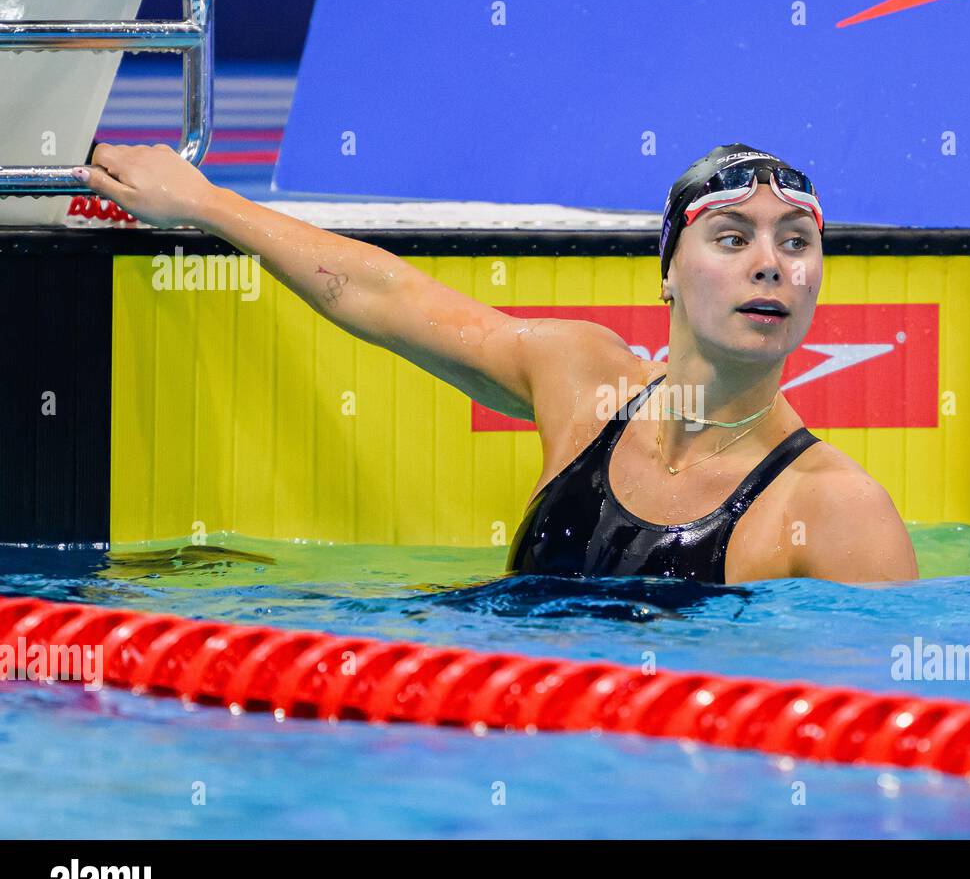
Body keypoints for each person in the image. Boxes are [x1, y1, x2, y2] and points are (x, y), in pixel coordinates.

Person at [73, 141, 918, 584]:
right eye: (732, 238)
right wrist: (203, 202)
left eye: (797, 243)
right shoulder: (587, 382)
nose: (772, 264)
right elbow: (383, 298)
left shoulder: (838, 511)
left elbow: (874, 749)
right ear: (667, 271)